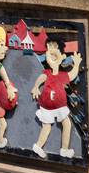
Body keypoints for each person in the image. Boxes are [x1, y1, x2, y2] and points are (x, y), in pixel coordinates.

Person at [31, 32, 82, 160]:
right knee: (46, 127)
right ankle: (38, 146)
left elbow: (72, 75)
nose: (52, 58)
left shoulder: (62, 75)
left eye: (55, 56)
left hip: (59, 106)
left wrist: (76, 65)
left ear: (62, 57)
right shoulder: (47, 72)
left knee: (67, 124)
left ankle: (64, 149)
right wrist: (35, 87)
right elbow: (41, 78)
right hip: (47, 105)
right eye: (50, 55)